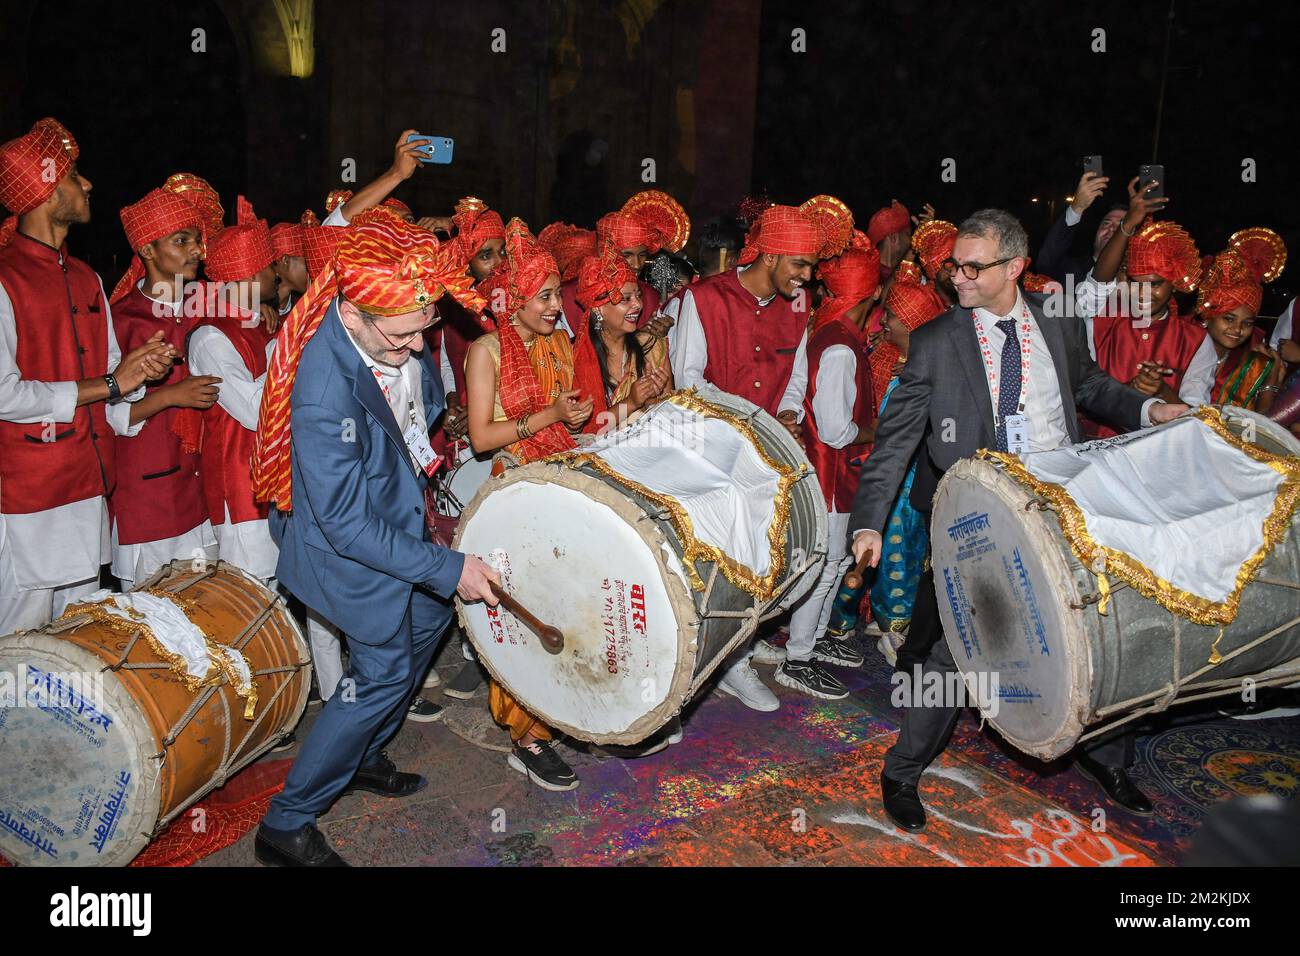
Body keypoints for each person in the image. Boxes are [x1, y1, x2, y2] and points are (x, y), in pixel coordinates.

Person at [849, 209, 1189, 832]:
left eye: (974, 267)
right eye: (955, 265)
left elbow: (1089, 386)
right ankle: (902, 770)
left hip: (1064, 501)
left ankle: (1106, 757)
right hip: (982, 514)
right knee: (956, 648)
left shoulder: (1057, 320)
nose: (959, 279)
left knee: (1097, 629)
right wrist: (867, 524)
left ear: (1015, 267)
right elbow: (894, 445)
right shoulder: (935, 341)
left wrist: (1148, 410)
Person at [251, 210, 498, 866]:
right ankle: (286, 823)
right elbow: (344, 523)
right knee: (382, 673)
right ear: (352, 315)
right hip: (344, 553)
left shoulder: (395, 329)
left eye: (425, 329)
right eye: (401, 337)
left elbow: (405, 428)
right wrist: (449, 567)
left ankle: (358, 754)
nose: (418, 349)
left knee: (425, 626)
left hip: (396, 527)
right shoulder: (323, 388)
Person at [666, 198, 849, 711]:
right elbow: (689, 382)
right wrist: (743, 425)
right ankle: (695, 660)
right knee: (706, 562)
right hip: (708, 455)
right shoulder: (702, 300)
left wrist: (787, 413)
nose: (808, 277)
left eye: (811, 267)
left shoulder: (799, 307)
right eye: (801, 265)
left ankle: (736, 660)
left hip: (764, 459)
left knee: (756, 561)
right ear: (769, 258)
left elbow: (795, 379)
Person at [0, 118, 175, 632]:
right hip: (27, 495)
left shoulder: (85, 277)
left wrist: (141, 372)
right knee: (16, 641)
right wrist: (113, 384)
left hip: (88, 483)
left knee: (75, 635)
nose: (88, 184)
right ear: (47, 189)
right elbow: (5, 395)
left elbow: (112, 380)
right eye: (75, 175)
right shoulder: (5, 278)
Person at [464, 218, 592, 790]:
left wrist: (586, 421)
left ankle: (559, 712)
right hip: (512, 491)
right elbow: (481, 437)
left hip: (559, 484)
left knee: (565, 600)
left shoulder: (560, 343)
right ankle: (527, 737)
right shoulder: (485, 351)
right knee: (521, 611)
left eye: (557, 293)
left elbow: (572, 413)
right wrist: (550, 418)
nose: (555, 305)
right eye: (543, 295)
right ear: (515, 295)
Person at [769, 245, 882, 700]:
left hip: (829, 470)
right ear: (868, 295)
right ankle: (799, 657)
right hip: (832, 473)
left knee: (827, 563)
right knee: (827, 563)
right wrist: (874, 430)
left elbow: (806, 396)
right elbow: (837, 431)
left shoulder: (829, 332)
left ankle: (808, 644)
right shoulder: (839, 347)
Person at [108, 187, 221, 590]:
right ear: (148, 250)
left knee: (205, 617)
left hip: (201, 492)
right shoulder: (121, 320)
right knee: (149, 626)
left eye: (196, 240)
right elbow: (108, 414)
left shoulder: (208, 306)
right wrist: (172, 396)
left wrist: (261, 305)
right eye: (182, 241)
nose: (196, 251)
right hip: (149, 499)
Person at [187, 196, 282, 585]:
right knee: (251, 598)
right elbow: (255, 410)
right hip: (241, 492)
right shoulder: (210, 337)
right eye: (268, 266)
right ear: (245, 277)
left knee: (276, 605)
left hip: (269, 486)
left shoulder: (255, 323)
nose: (276, 274)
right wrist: (284, 345)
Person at [1078, 179, 1209, 437]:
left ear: (1175, 283)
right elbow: (1085, 396)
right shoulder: (1100, 320)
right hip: (1095, 451)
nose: (1144, 293)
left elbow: (1200, 419)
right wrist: (1128, 224)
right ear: (1124, 280)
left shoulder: (1196, 341)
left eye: (1156, 284)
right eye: (1136, 283)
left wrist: (1160, 390)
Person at [1184, 230, 1289, 411]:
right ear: (1208, 316)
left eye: (1247, 323)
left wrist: (1271, 376)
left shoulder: (1248, 358)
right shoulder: (1180, 345)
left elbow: (1260, 422)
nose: (1238, 329)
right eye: (1229, 318)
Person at [1034, 167, 1126, 288]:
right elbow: (1046, 261)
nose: (1111, 229)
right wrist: (1077, 207)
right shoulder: (1071, 271)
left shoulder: (1139, 278)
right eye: (1106, 223)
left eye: (1121, 225)